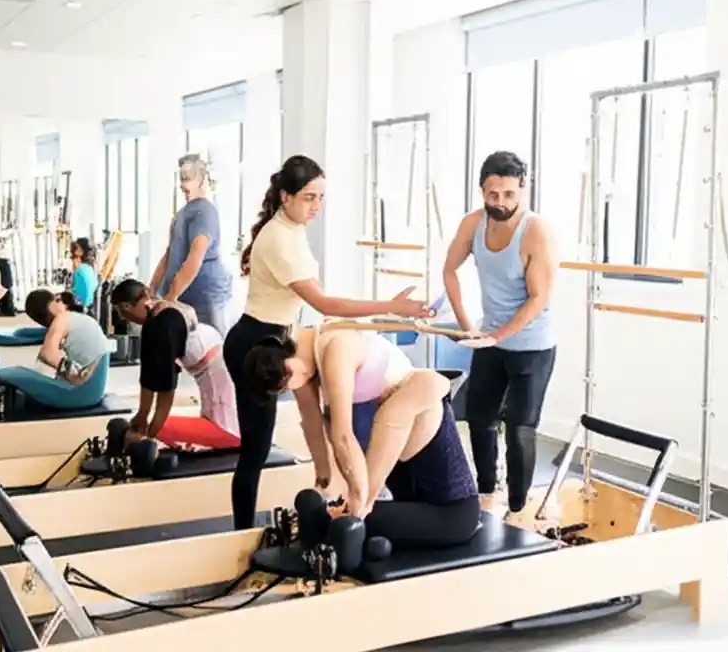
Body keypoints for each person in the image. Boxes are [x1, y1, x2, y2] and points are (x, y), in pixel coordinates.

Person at [226, 154, 432, 530]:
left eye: (321, 197)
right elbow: (325, 303)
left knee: (314, 416)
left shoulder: (289, 227)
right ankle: (240, 532)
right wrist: (392, 306)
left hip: (277, 336)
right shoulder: (279, 239)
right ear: (286, 196)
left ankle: (333, 485)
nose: (316, 206)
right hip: (257, 343)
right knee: (255, 450)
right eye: (309, 197)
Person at [241, 326, 479, 547]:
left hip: (454, 515)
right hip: (412, 499)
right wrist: (325, 482)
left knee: (345, 521)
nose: (291, 389)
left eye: (285, 385)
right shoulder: (303, 357)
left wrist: (356, 504)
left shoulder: (339, 353)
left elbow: (342, 437)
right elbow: (314, 424)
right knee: (334, 517)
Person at [442, 151, 557, 516]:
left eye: (509, 195)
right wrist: (468, 326)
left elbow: (539, 298)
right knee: (479, 419)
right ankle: (485, 492)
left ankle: (519, 509)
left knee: (520, 428)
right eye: (493, 195)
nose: (500, 203)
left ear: (522, 189)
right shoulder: (473, 224)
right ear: (482, 190)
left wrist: (497, 335)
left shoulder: (536, 231)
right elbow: (449, 270)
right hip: (490, 338)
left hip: (531, 345)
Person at [110, 278, 239, 453]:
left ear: (126, 306)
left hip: (217, 369)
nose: (122, 318)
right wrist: (142, 415)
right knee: (186, 423)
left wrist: (148, 436)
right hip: (206, 361)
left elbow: (165, 396)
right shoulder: (152, 321)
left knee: (228, 435)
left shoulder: (161, 327)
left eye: (119, 312)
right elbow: (147, 379)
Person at [149, 154, 236, 336]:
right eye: (181, 179)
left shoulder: (205, 211)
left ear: (202, 180)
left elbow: (196, 255)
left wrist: (171, 297)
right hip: (184, 297)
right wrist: (152, 289)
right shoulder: (182, 214)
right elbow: (170, 254)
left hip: (205, 297)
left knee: (212, 350)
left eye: (188, 179)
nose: (183, 185)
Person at [69, 237, 100, 309]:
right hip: (89, 306)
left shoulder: (80, 270)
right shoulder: (89, 269)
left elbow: (80, 295)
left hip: (82, 307)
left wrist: (77, 308)